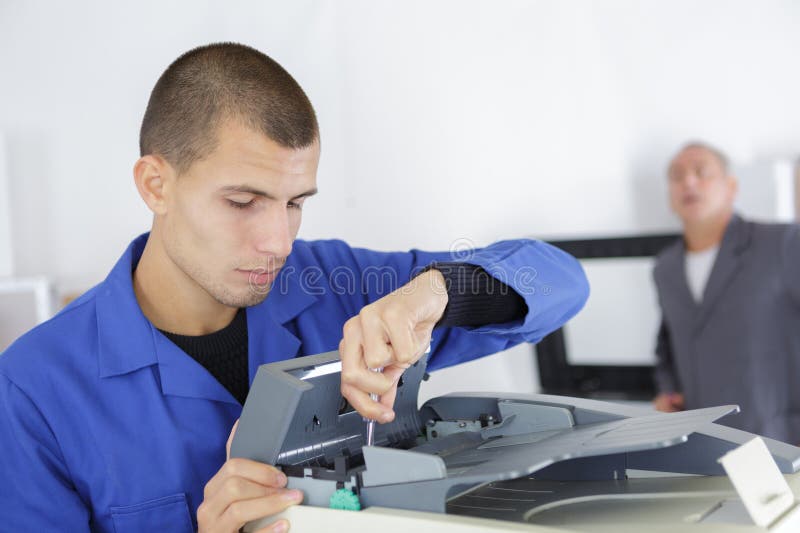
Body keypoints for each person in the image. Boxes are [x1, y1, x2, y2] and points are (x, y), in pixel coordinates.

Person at [0, 43, 589, 532]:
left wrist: (439, 291)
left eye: (295, 203)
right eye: (242, 202)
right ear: (156, 185)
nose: (278, 242)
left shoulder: (332, 282)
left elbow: (560, 279)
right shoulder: (32, 391)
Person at [652, 141, 800, 445]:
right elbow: (667, 345)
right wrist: (668, 392)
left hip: (782, 441)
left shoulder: (782, 243)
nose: (688, 182)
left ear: (731, 186)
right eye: (677, 176)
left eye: (701, 172)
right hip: (704, 444)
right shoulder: (664, 268)